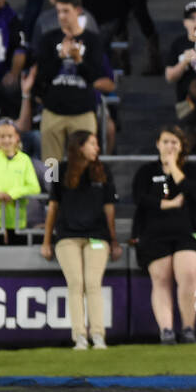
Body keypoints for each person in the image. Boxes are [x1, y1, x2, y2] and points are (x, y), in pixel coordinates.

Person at [42, 129, 118, 350]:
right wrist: (47, 241)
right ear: (79, 146)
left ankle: (98, 335)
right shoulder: (59, 170)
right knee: (76, 284)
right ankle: (79, 336)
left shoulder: (103, 171)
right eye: (92, 143)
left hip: (97, 236)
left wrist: (113, 240)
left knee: (93, 284)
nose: (97, 148)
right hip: (67, 237)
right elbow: (53, 208)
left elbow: (109, 209)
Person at [132, 125, 196, 344]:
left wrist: (174, 168)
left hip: (187, 232)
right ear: (158, 144)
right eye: (166, 142)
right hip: (154, 233)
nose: (170, 146)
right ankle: (166, 330)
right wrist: (168, 204)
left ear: (182, 146)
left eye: (175, 142)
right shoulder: (146, 171)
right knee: (161, 279)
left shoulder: (191, 171)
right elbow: (139, 198)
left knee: (189, 275)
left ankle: (189, 328)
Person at [32, 0, 109, 163]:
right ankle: (53, 190)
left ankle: (86, 189)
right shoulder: (48, 39)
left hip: (83, 111)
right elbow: (42, 76)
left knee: (86, 161)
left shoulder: (93, 40)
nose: (61, 16)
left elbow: (95, 77)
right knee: (51, 164)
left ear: (78, 10)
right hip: (53, 111)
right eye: (59, 11)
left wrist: (79, 60)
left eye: (66, 11)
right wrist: (59, 58)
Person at [0, 117, 40, 245]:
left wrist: (13, 194)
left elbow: (34, 187)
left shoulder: (25, 160)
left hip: (17, 220)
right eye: (2, 136)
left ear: (17, 137)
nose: (6, 140)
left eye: (10, 136)